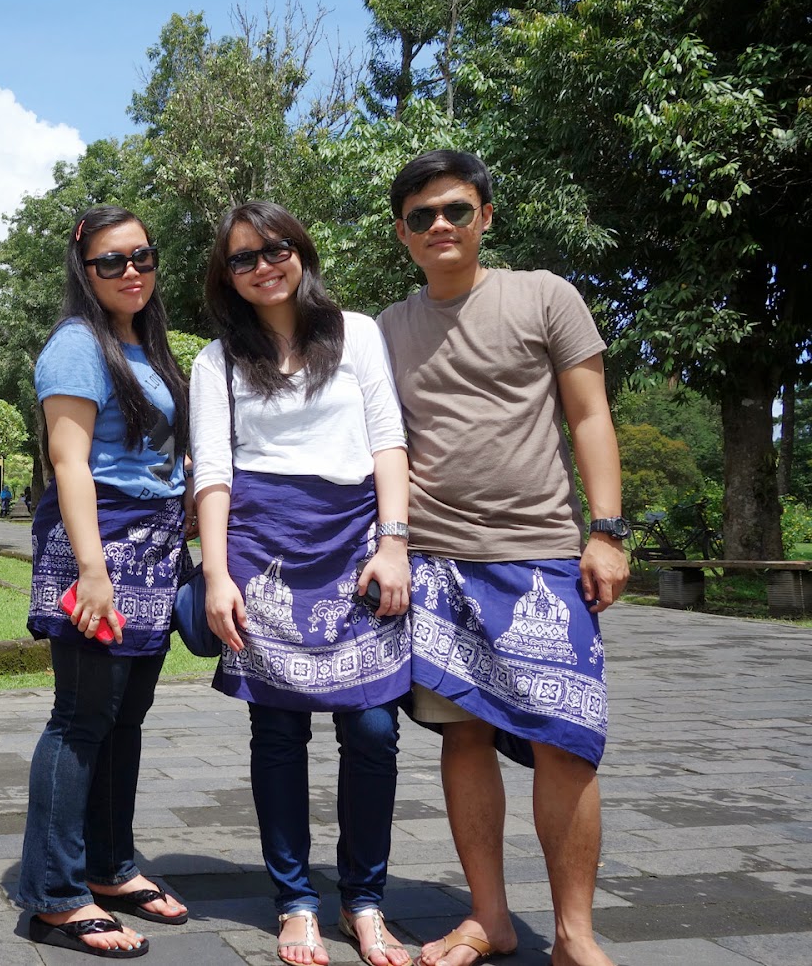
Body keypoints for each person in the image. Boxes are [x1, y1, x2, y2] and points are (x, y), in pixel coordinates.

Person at [375, 151, 627, 966]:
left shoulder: (544, 295)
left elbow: (589, 415)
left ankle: (575, 933)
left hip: (540, 554)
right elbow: (386, 444)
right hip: (438, 560)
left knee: (566, 740)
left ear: (486, 215)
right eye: (421, 216)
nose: (439, 225)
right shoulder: (389, 326)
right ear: (403, 233)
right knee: (464, 738)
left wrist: (608, 528)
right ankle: (490, 916)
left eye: (454, 209)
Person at [192, 202, 413, 966]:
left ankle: (366, 898)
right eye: (244, 258)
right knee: (278, 731)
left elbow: (388, 439)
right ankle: (294, 899)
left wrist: (395, 544)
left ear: (300, 250)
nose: (263, 265)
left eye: (275, 248)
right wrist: (217, 573)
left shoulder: (357, 333)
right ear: (228, 276)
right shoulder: (214, 361)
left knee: (374, 729)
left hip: (353, 546)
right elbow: (214, 471)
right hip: (263, 552)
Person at [14, 205, 191, 959]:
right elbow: (70, 462)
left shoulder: (145, 347)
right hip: (101, 547)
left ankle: (111, 866)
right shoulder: (77, 346)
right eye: (111, 261)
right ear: (84, 272)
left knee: (126, 716)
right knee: (82, 717)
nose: (131, 272)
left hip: (152, 550)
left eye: (142, 256)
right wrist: (92, 569)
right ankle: (55, 894)